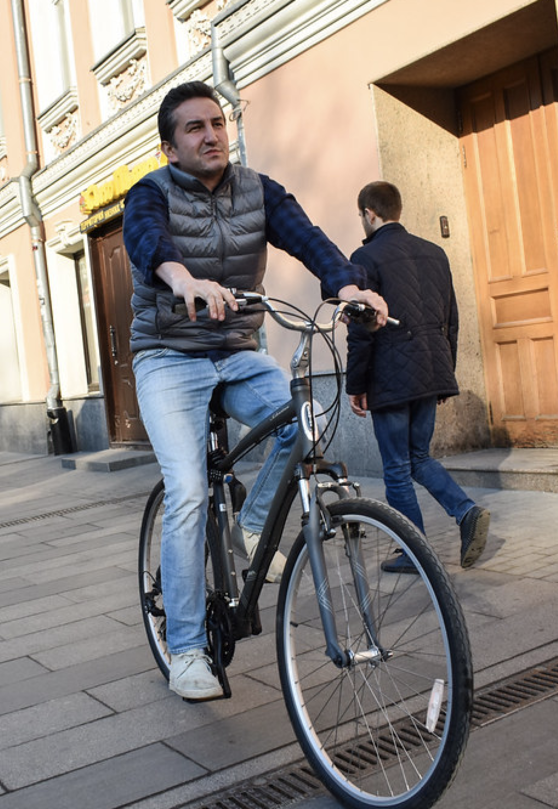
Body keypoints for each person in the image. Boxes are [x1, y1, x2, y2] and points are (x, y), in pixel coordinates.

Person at [123, 81, 388, 700]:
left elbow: (311, 239)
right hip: (168, 356)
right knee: (188, 490)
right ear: (169, 148)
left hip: (237, 352)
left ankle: (250, 523)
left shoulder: (258, 190)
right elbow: (146, 240)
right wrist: (181, 275)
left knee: (308, 420)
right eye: (194, 128)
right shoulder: (150, 193)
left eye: (217, 122)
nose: (211, 134)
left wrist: (348, 288)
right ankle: (186, 649)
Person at [346, 181, 489, 574]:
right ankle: (466, 511)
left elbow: (361, 328)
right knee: (419, 458)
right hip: (430, 370)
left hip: (389, 380)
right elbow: (452, 320)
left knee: (396, 467)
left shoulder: (365, 256)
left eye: (361, 215)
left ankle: (416, 554)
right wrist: (444, 375)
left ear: (369, 214)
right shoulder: (435, 253)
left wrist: (355, 385)